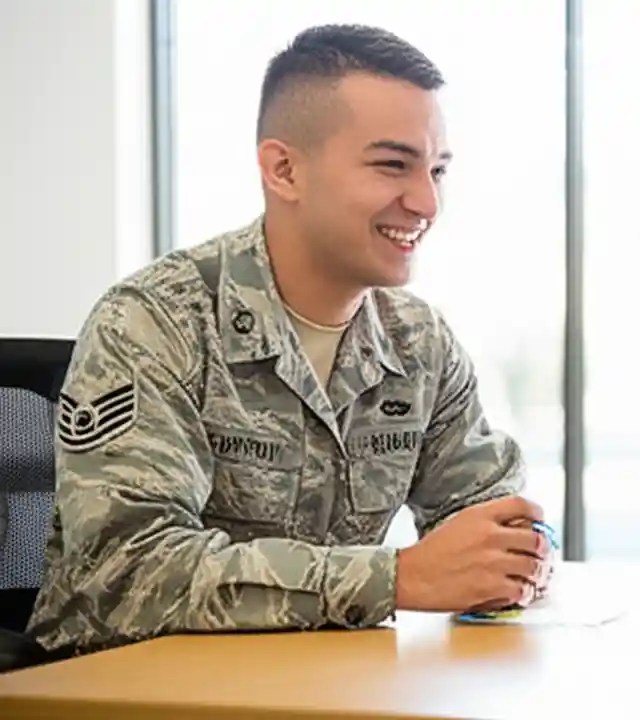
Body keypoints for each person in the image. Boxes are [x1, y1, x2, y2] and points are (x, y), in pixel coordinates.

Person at [26, 23, 552, 656]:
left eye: (438, 170)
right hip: (119, 692)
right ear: (284, 170)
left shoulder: (418, 343)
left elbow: (496, 520)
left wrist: (514, 559)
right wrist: (398, 578)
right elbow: (126, 575)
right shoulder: (156, 321)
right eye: (393, 165)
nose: (427, 202)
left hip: (320, 685)